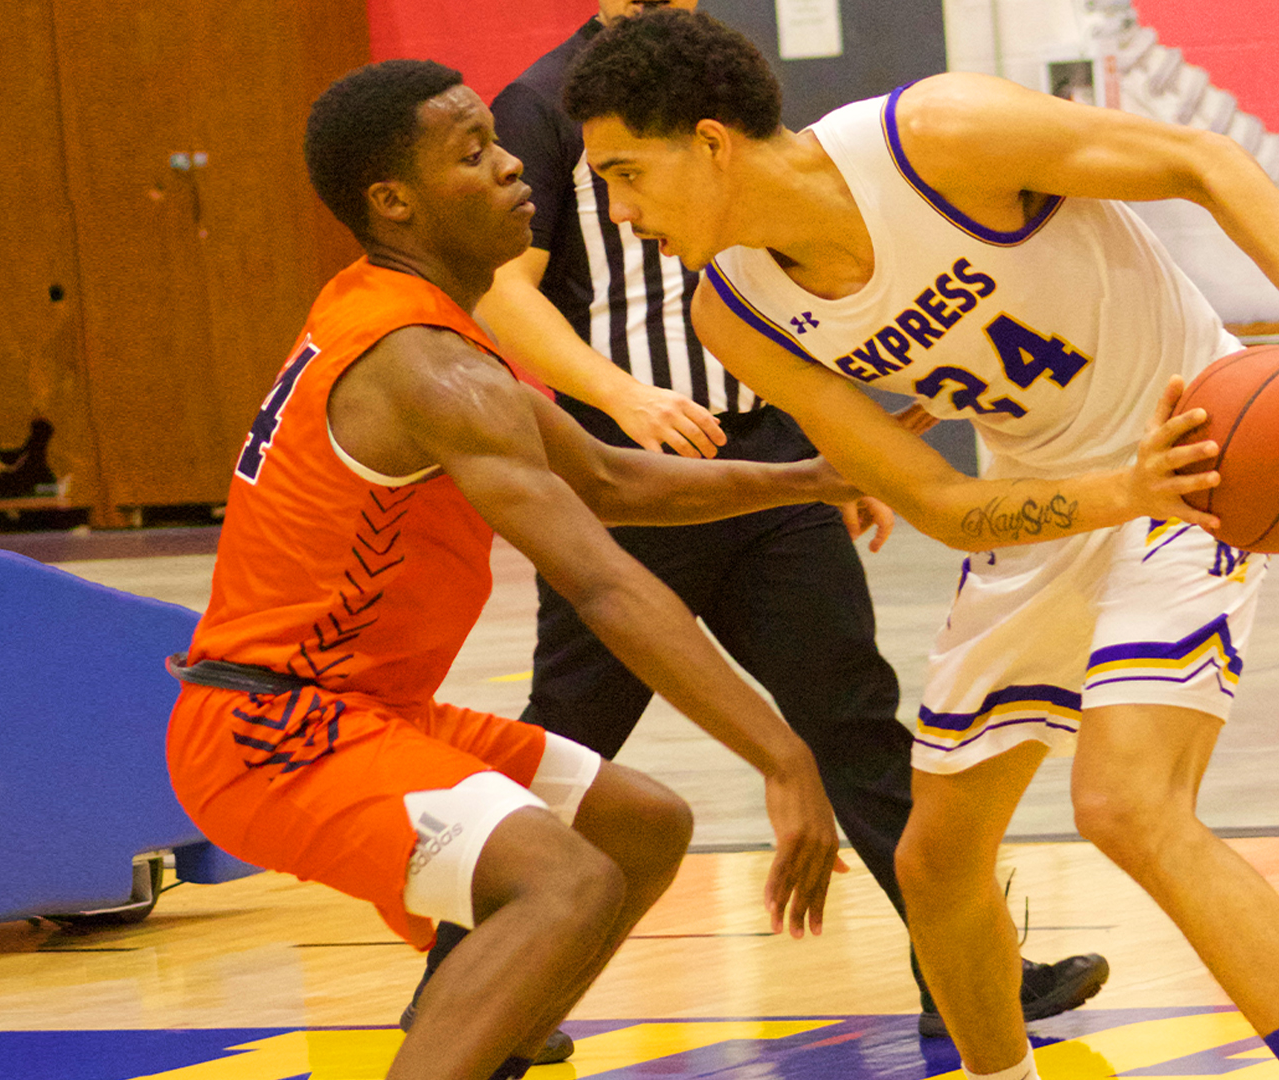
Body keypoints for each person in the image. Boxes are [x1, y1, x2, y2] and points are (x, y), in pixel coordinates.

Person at [563, 11, 1279, 1080]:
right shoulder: (736, 313)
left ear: (713, 142)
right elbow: (943, 503)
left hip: (1195, 459)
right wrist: (1112, 492)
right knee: (935, 860)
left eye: (626, 174)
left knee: (1127, 807)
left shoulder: (937, 138)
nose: (619, 212)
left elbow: (1203, 160)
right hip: (1051, 500)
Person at [389, 0, 1111, 1054]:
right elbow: (504, 294)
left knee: (852, 714)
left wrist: (835, 448)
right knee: (571, 740)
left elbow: (789, 277)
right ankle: (455, 988)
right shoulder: (546, 103)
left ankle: (970, 974)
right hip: (628, 476)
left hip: (766, 456)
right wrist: (622, 396)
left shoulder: (709, 73)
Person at [164, 58, 853, 1080]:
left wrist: (817, 477)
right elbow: (606, 581)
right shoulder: (425, 367)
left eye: (497, 143)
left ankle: (487, 1053)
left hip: (366, 711)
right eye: (473, 153)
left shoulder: (417, 325)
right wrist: (781, 756)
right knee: (564, 883)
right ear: (394, 202)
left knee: (639, 829)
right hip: (274, 730)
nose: (513, 166)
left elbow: (612, 480)